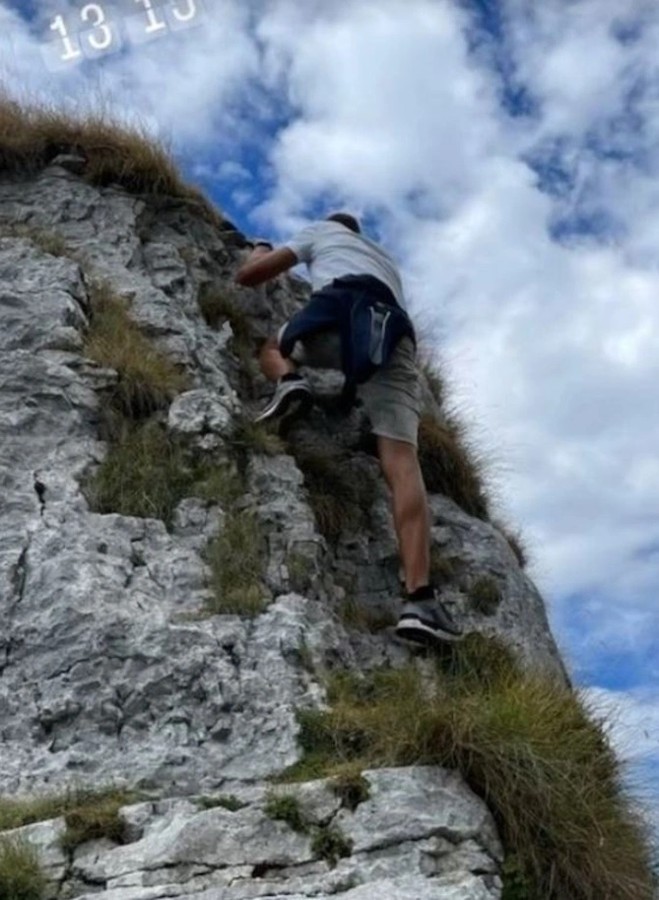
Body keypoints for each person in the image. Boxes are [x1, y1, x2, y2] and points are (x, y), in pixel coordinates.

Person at [235, 213, 462, 646]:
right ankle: (420, 599)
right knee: (401, 462)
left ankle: (289, 380)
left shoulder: (321, 232)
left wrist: (261, 249)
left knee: (270, 347)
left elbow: (250, 277)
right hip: (392, 332)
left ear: (331, 224)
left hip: (334, 313)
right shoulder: (385, 259)